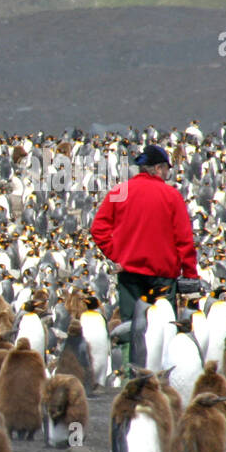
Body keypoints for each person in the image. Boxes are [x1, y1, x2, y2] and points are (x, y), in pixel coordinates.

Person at [90, 143, 199, 342]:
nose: (168, 173)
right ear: (158, 168)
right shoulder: (171, 196)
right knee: (164, 330)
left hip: (129, 272)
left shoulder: (119, 191)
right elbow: (184, 240)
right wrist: (190, 275)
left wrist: (117, 255)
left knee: (131, 329)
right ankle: (161, 371)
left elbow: (98, 229)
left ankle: (129, 370)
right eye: (167, 168)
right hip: (163, 274)